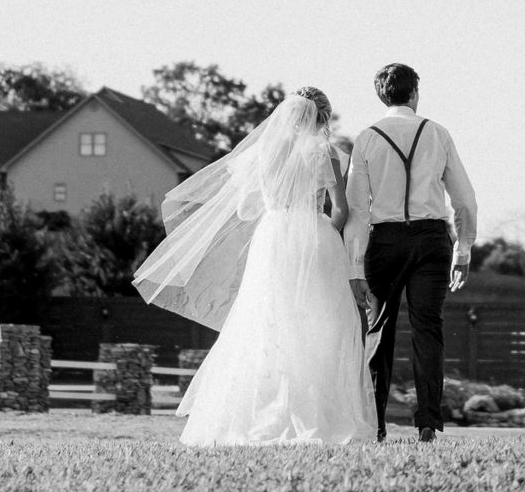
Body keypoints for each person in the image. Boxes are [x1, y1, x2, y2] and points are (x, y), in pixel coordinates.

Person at [134, 89, 377, 447]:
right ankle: (316, 413)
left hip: (272, 237)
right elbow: (341, 209)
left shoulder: (261, 151)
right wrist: (325, 230)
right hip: (313, 237)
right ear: (322, 117)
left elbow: (248, 208)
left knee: (264, 321)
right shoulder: (323, 152)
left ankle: (254, 413)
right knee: (320, 323)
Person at [346, 63, 478, 442]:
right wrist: (463, 250)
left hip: (384, 241)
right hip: (432, 240)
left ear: (381, 95)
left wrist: (355, 265)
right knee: (428, 331)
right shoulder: (437, 133)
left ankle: (376, 426)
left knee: (378, 330)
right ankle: (427, 424)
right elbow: (464, 199)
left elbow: (357, 210)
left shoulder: (367, 139)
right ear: (415, 92)